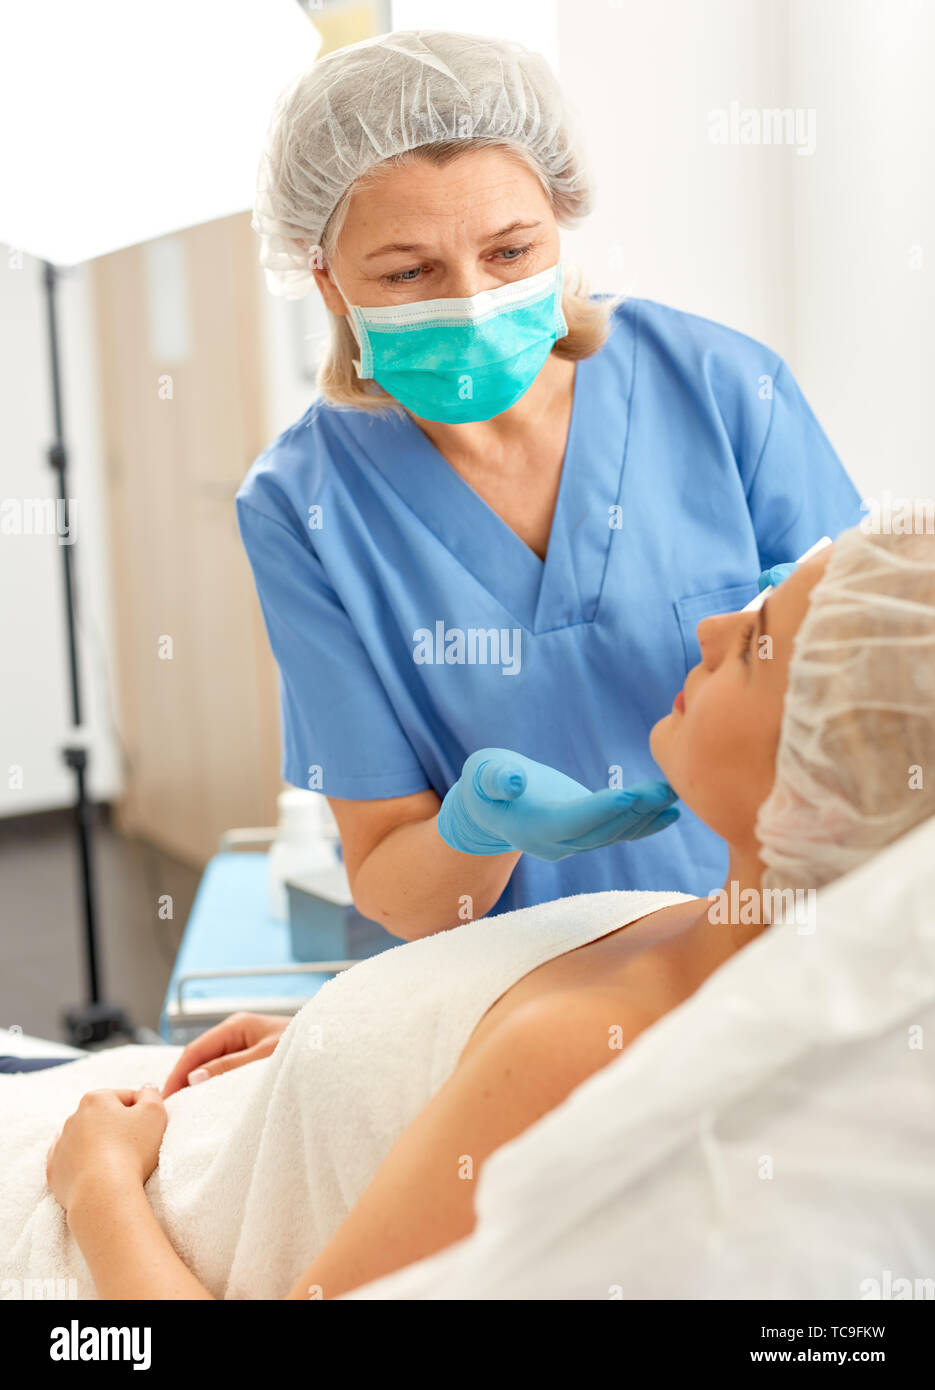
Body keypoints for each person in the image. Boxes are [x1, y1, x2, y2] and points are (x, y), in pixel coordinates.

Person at [21, 525, 931, 1300]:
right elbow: (470, 1059)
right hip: (178, 1128)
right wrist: (340, 1054)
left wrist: (97, 1179)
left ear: (826, 790)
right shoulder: (702, 925)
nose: (708, 625)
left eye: (753, 644)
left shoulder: (586, 1050)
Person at [235, 29, 864, 937]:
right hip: (510, 988)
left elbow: (885, 706)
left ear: (560, 222)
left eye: (510, 252)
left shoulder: (719, 386)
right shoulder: (305, 506)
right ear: (329, 281)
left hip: (768, 952)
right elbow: (393, 882)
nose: (472, 299)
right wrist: (474, 831)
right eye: (407, 272)